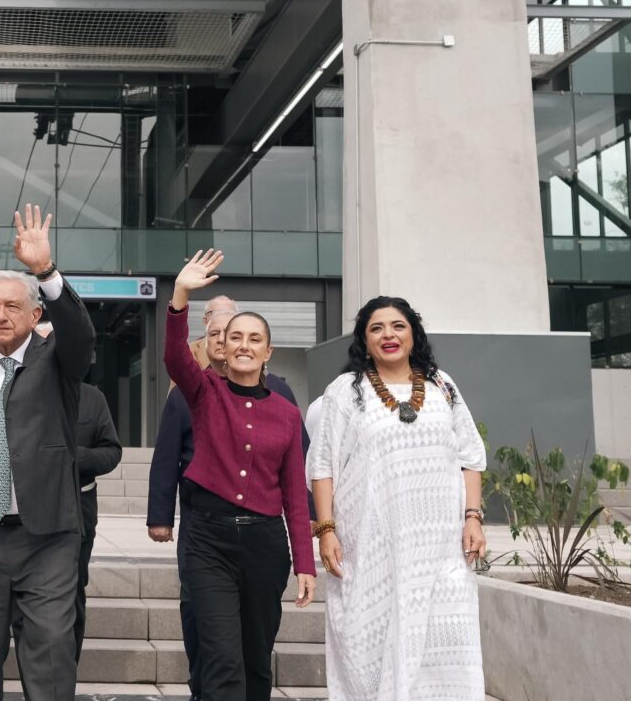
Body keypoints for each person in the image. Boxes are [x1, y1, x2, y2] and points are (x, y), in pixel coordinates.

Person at [0, 204, 96, 701]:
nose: (1, 314)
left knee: (50, 655)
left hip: (47, 536)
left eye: (12, 306)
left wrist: (45, 271)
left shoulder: (58, 360)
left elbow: (82, 334)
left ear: (35, 314)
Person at [307, 296, 487, 701]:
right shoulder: (345, 392)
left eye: (397, 325)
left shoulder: (443, 385)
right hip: (372, 543)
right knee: (367, 638)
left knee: (447, 639)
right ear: (364, 341)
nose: (388, 334)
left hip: (440, 547)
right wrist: (326, 529)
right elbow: (322, 465)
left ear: (413, 333)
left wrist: (472, 516)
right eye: (376, 328)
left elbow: (470, 455)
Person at [164, 250, 314, 701]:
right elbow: (174, 358)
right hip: (209, 543)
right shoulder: (204, 391)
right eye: (235, 338)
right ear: (222, 348)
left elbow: (295, 496)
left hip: (266, 546)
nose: (244, 345)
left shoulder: (288, 414)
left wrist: (305, 563)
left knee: (255, 661)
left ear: (268, 351)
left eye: (255, 339)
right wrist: (180, 296)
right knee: (222, 660)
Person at [71, 382, 121, 659]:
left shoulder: (92, 397)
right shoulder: (19, 390)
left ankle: (65, 675)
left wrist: (72, 456)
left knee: (72, 595)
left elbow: (112, 452)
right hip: (25, 514)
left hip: (78, 511)